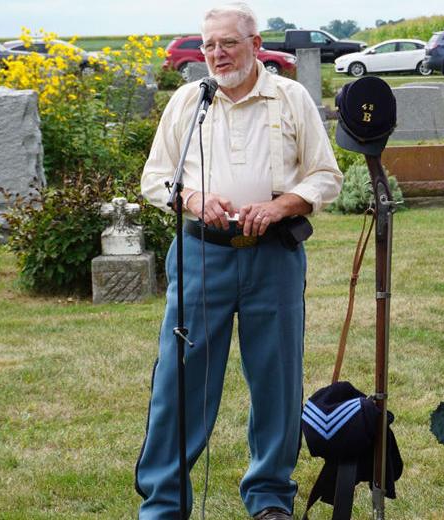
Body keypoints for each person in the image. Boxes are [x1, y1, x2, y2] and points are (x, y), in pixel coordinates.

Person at [134, 2, 343, 519]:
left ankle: (270, 496)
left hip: (273, 255)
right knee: (181, 380)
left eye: (228, 43)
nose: (217, 54)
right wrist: (192, 198)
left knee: (276, 378)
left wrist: (280, 205)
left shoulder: (290, 98)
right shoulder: (189, 101)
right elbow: (156, 177)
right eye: (208, 45)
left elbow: (325, 176)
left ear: (255, 44)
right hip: (202, 254)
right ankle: (164, 502)